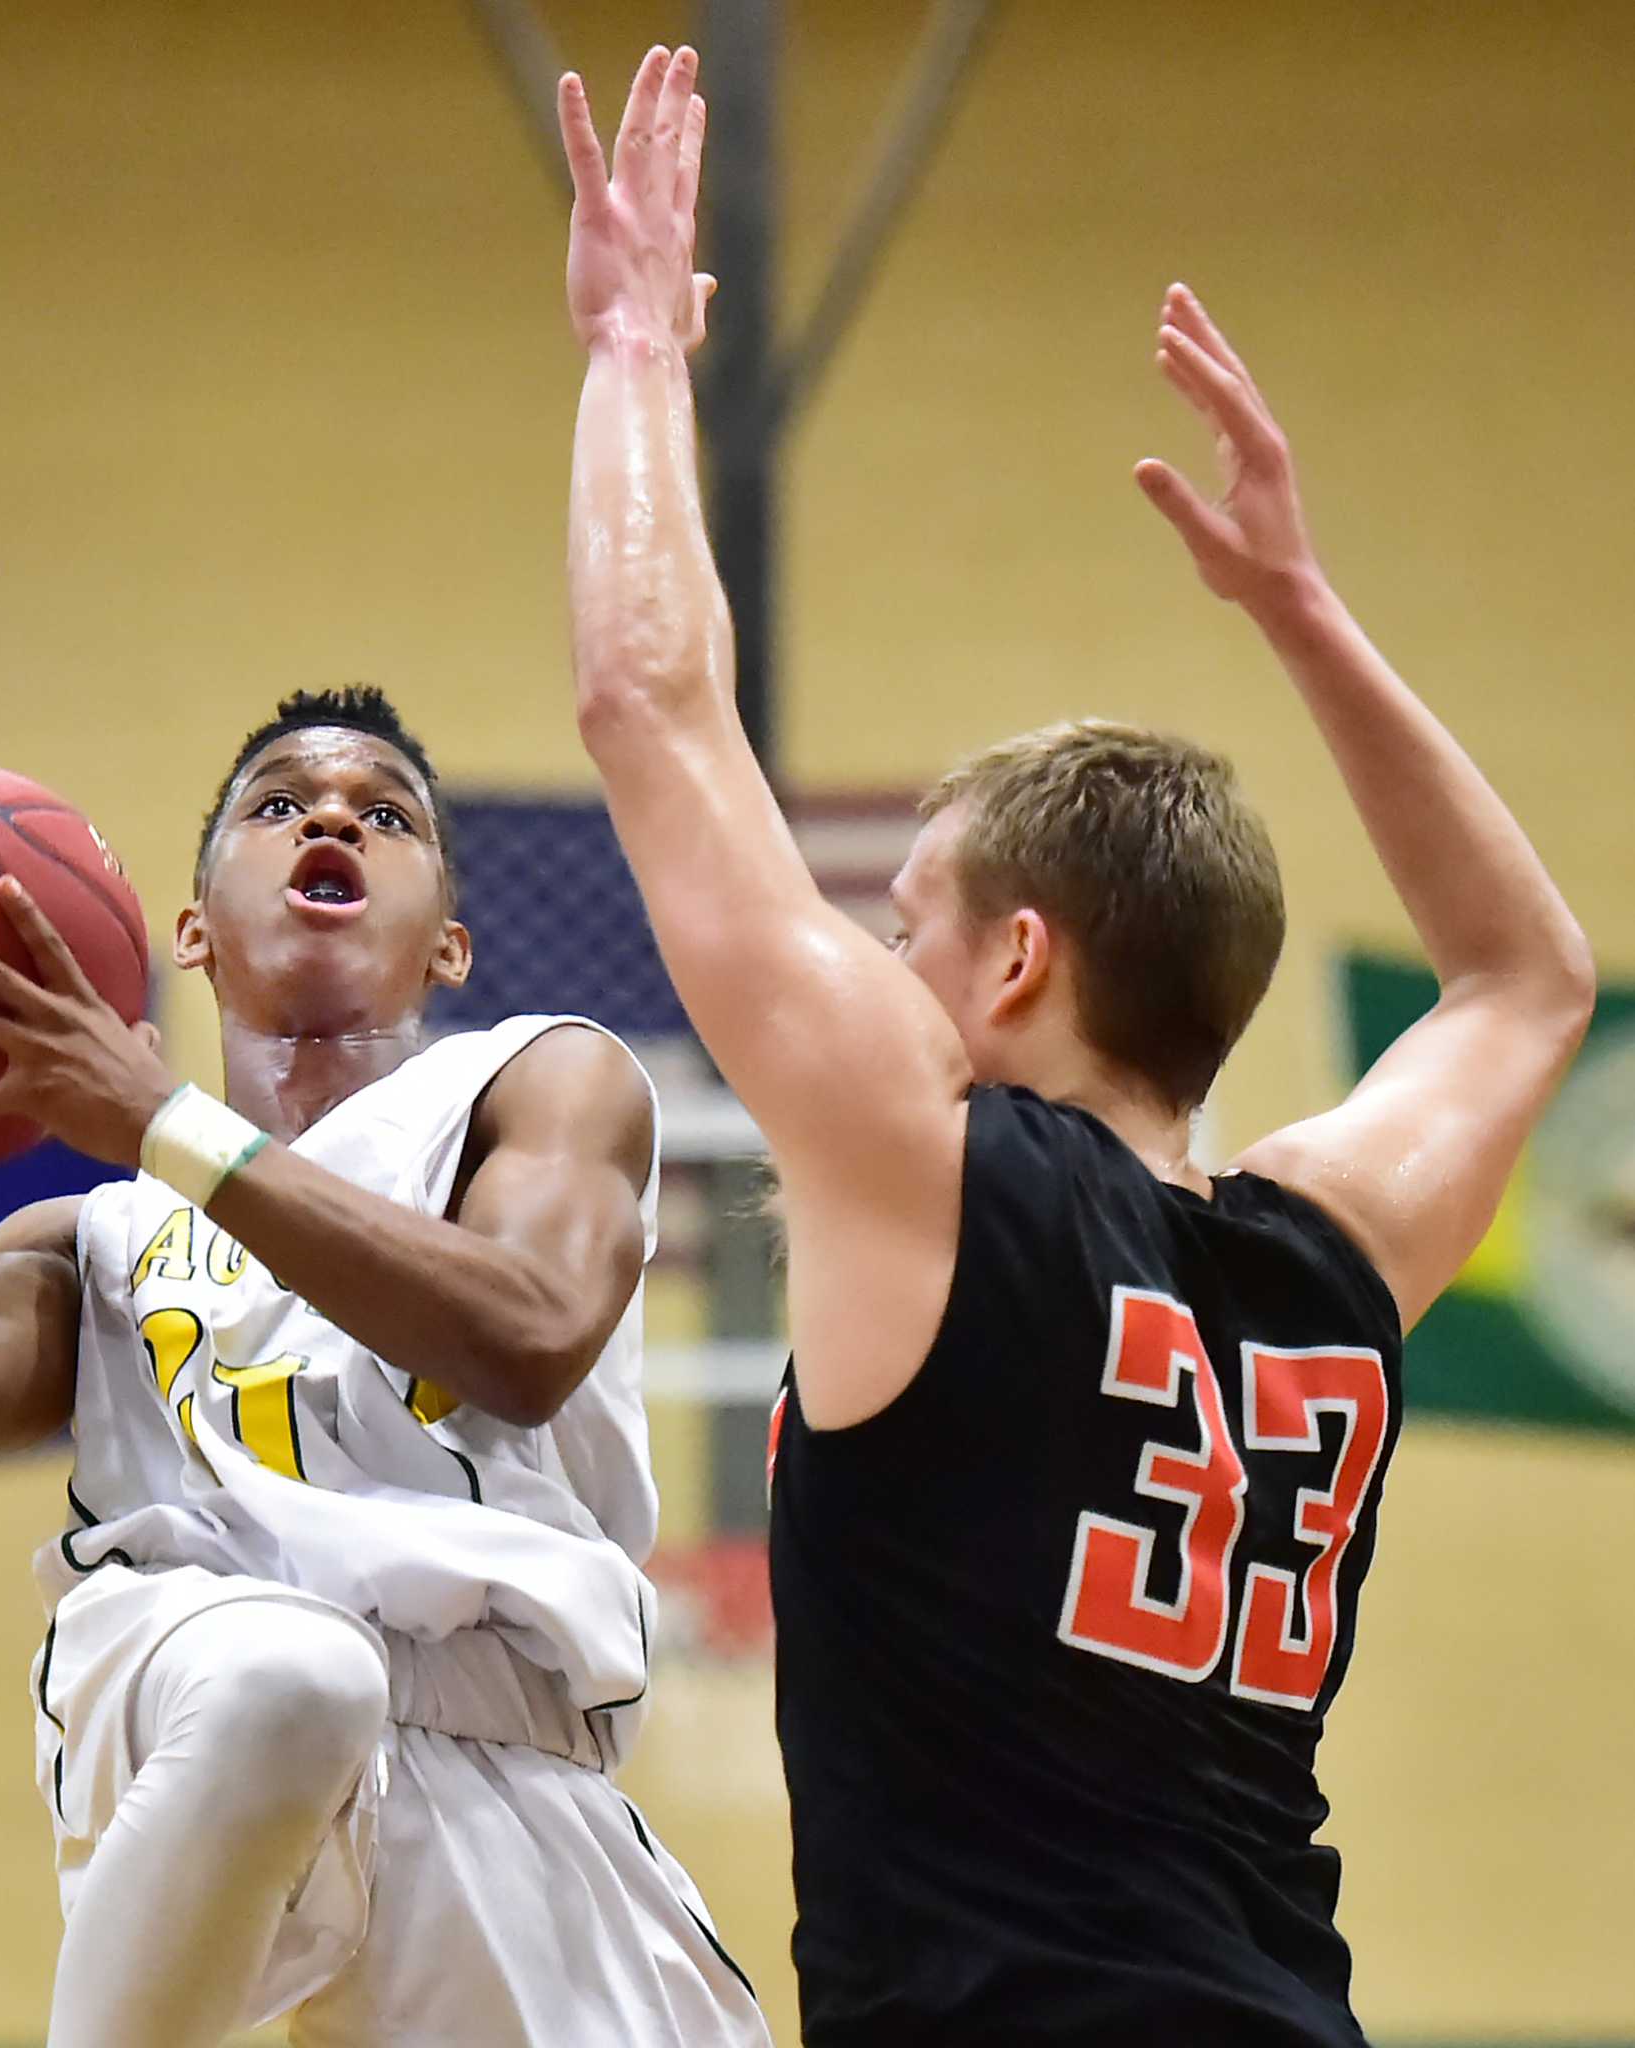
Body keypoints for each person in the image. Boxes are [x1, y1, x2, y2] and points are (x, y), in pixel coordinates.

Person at [557, 45, 1594, 2046]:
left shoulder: (945, 1174)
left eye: (906, 923)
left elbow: (647, 706)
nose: (878, 963)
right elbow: (1525, 979)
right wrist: (1296, 604)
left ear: (1017, 962)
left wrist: (628, 350)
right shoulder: (1332, 1250)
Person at [0, 684, 769, 2048]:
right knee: (292, 1679)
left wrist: (167, 1124)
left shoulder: (540, 1079)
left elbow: (525, 1333)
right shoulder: (104, 1235)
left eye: (383, 814)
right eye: (277, 803)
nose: (330, 813)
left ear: (448, 944)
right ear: (193, 931)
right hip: (203, 1696)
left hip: (518, 1784)